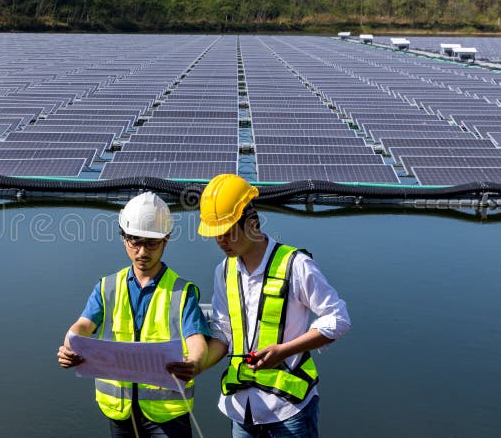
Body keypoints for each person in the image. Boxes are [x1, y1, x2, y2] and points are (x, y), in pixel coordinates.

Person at [196, 174, 352, 438]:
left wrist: (285, 350)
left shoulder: (296, 265)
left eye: (228, 231)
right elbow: (223, 331)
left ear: (252, 221)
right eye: (216, 234)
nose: (221, 241)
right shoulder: (224, 270)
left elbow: (338, 318)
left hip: (288, 410)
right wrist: (196, 365)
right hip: (240, 409)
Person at [57, 191, 211, 438]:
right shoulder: (108, 286)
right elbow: (82, 326)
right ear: (123, 238)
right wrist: (70, 347)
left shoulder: (182, 291)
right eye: (134, 241)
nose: (142, 251)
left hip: (166, 415)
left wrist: (194, 362)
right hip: (121, 410)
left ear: (166, 239)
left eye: (151, 243)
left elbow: (197, 342)